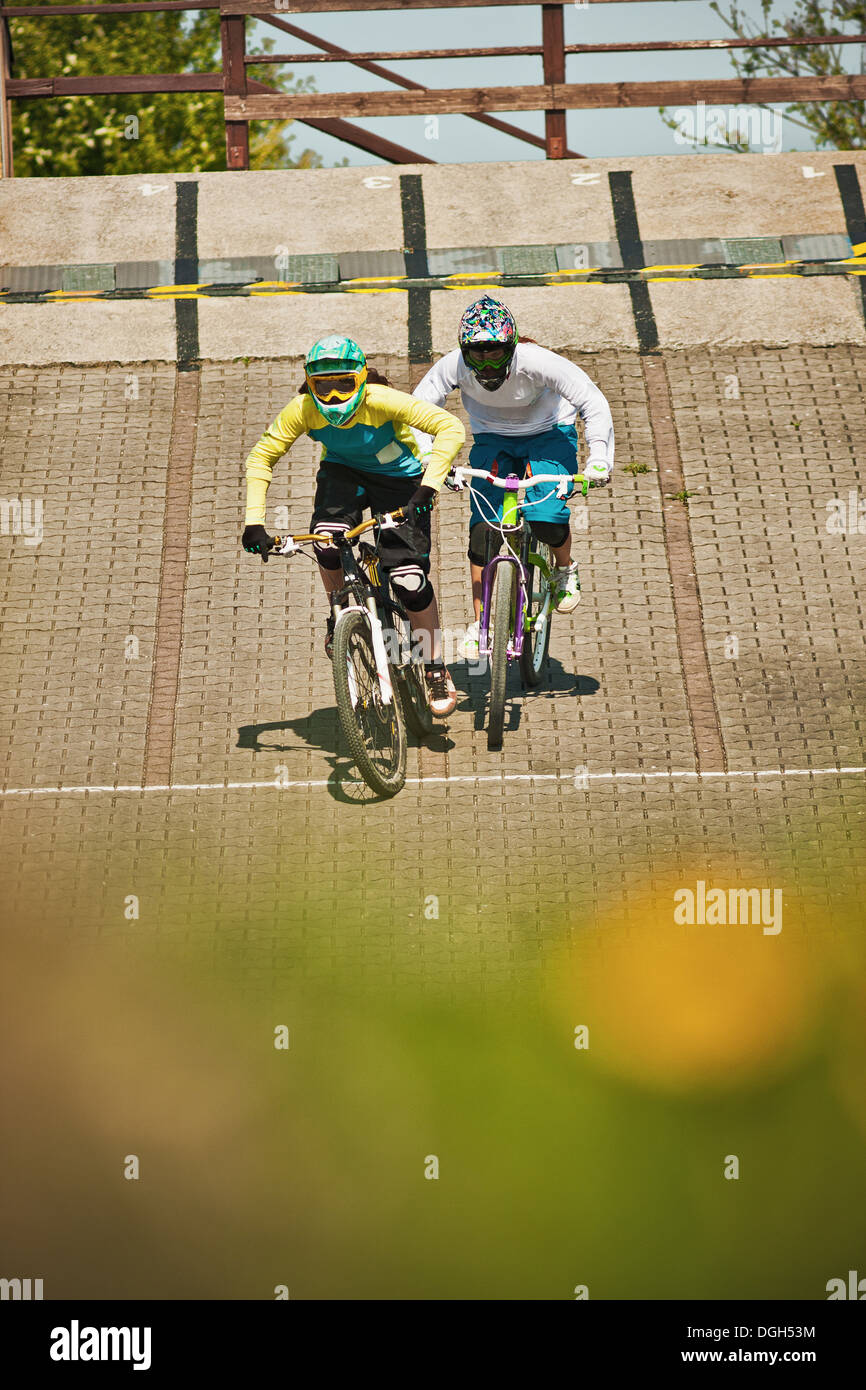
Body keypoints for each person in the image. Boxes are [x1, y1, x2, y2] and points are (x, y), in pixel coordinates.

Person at [241, 335, 465, 717]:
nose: (331, 397)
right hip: (342, 474)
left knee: (409, 581)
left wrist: (428, 487)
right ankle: (339, 610)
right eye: (322, 387)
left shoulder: (381, 400)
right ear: (310, 385)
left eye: (343, 384)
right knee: (326, 543)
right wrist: (254, 524)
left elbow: (450, 428)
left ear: (361, 379)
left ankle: (434, 667)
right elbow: (261, 458)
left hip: (400, 480)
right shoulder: (302, 409)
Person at [412, 297, 615, 658]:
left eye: (496, 353)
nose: (487, 364)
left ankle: (564, 570)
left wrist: (599, 457)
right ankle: (480, 623)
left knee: (545, 519)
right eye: (477, 354)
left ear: (512, 346)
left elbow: (591, 400)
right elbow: (419, 407)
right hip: (493, 439)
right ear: (464, 351)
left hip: (550, 434)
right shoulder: (453, 366)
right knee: (482, 534)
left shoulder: (537, 362)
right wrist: (431, 457)